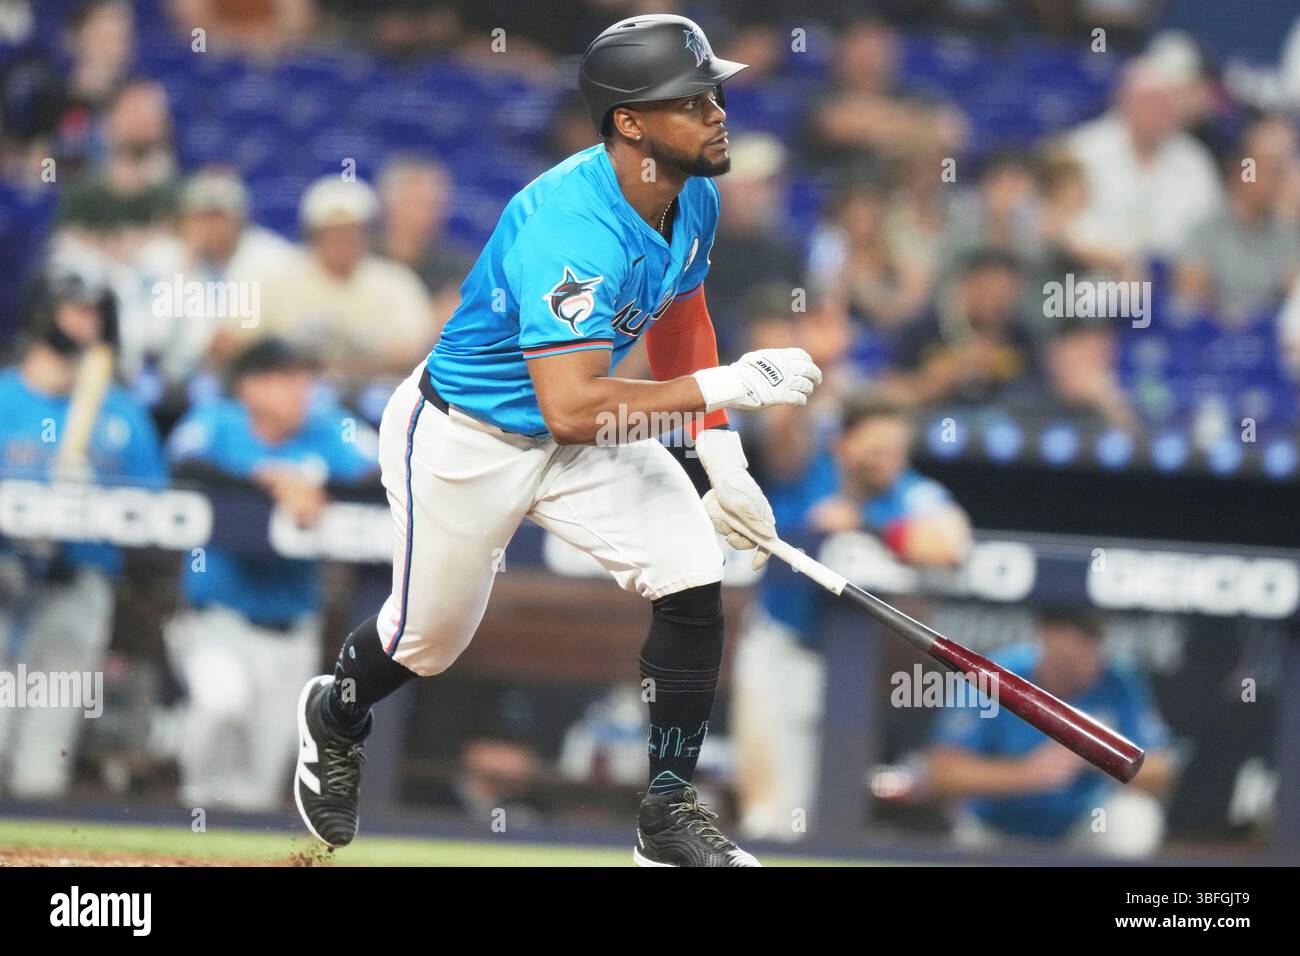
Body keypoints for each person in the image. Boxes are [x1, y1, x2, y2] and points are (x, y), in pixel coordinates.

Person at [291, 14, 823, 867]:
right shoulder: (568, 227)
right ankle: (339, 710)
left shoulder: (694, 189)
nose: (719, 111)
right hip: (470, 436)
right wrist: (730, 388)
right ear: (630, 123)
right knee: (428, 642)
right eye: (692, 100)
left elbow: (682, 317)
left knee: (693, 572)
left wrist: (722, 461)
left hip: (583, 429)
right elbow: (572, 404)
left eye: (715, 93)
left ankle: (666, 815)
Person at [731, 397, 971, 838]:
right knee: (772, 815)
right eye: (876, 449)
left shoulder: (907, 493)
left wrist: (863, 524)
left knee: (836, 814)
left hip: (852, 667)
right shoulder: (808, 471)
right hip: (780, 649)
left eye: (896, 450)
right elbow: (779, 433)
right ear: (841, 443)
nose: (887, 461)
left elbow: (951, 543)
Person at [165, 338, 378, 810]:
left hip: (293, 630)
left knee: (261, 780)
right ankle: (190, 812)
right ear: (251, 386)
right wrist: (267, 480)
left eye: (304, 379)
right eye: (285, 379)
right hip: (217, 621)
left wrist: (315, 485)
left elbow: (383, 473)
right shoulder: (218, 421)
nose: (300, 391)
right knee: (221, 703)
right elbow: (183, 464)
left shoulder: (325, 430)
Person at [0, 252, 166, 797]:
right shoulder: (4, 396)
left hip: (77, 585)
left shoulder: (119, 412)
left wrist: (88, 502)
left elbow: (159, 513)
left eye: (96, 311)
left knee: (44, 758)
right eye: (74, 307)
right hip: (4, 580)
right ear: (44, 309)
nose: (86, 321)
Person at [927, 608, 1176, 858]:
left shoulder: (1117, 679)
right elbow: (942, 774)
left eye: (1096, 638)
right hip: (995, 830)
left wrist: (1100, 757)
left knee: (1135, 818)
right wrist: (1028, 773)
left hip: (1079, 827)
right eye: (1080, 636)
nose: (1089, 650)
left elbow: (1160, 772)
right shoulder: (998, 675)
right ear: (1047, 635)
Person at [253, 176, 434, 383]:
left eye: (351, 232)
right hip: (292, 392)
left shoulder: (395, 282)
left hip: (378, 397)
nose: (343, 242)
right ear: (314, 236)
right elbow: (237, 341)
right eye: (333, 233)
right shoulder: (278, 280)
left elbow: (415, 349)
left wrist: (347, 368)